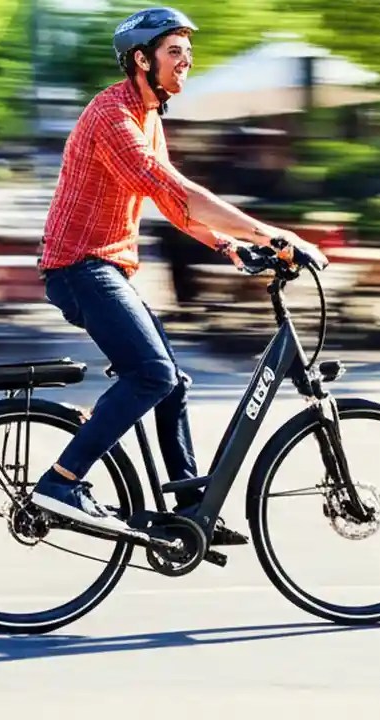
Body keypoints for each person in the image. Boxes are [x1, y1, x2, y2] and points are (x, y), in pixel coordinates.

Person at [30, 7, 328, 543]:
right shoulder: (113, 117)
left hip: (105, 268)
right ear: (141, 60)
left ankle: (191, 512)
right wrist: (272, 234)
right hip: (80, 266)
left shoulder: (147, 115)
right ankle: (61, 482)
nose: (186, 58)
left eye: (188, 51)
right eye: (174, 50)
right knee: (152, 375)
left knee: (171, 382)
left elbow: (175, 208)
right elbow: (177, 191)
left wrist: (232, 247)